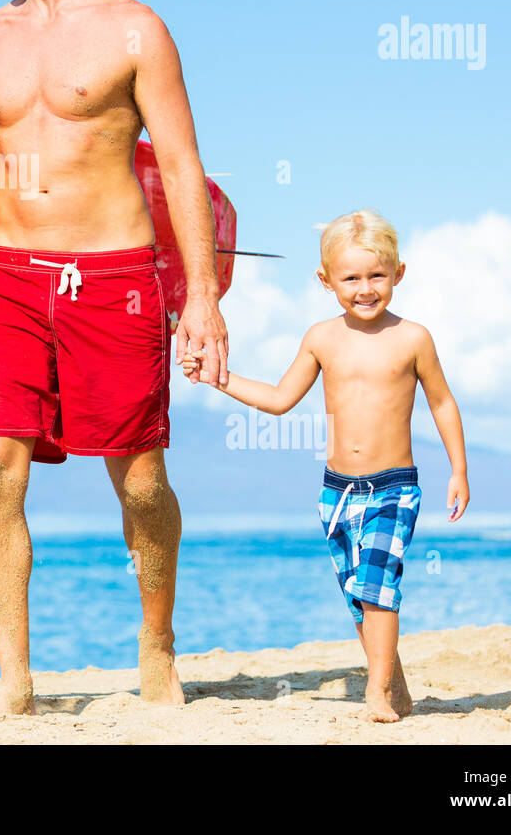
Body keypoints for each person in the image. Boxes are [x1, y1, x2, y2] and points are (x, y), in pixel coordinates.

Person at [0, 0, 229, 715]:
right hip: (4, 276)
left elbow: (181, 168)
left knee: (139, 479)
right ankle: (15, 681)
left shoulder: (135, 30)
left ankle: (156, 643)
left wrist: (203, 300)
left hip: (114, 276)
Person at [185, 208, 470, 721]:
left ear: (398, 273)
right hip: (336, 490)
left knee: (379, 587)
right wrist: (215, 377)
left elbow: (443, 403)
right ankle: (394, 683)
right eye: (352, 278)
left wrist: (459, 470)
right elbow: (277, 398)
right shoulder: (321, 338)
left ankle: (376, 691)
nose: (366, 288)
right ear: (326, 281)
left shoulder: (414, 338)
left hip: (393, 487)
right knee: (358, 596)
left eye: (377, 275)